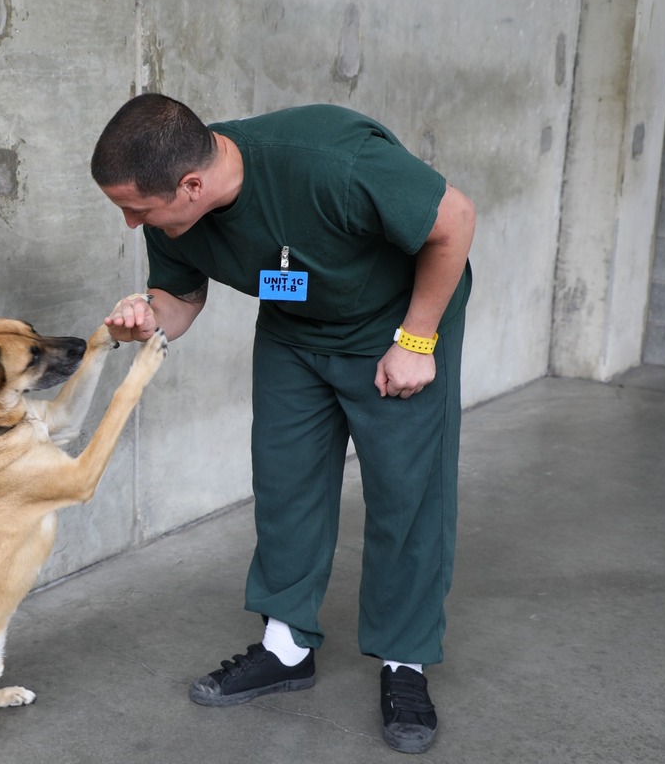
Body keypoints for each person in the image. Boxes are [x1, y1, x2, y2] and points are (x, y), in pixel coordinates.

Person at [90, 93, 474, 755]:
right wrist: (147, 319)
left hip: (394, 326)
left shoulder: (328, 159)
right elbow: (180, 299)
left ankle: (405, 663)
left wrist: (416, 343)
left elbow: (455, 222)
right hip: (296, 334)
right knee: (286, 482)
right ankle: (286, 646)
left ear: (191, 185)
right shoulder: (174, 212)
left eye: (136, 209)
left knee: (406, 494)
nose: (130, 223)